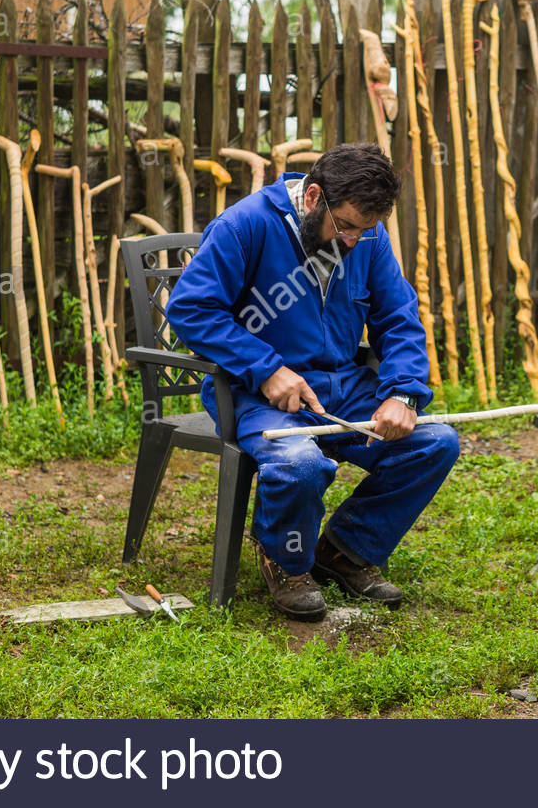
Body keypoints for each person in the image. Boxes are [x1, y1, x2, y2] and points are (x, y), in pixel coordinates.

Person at [165, 143, 460, 621]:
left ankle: (345, 551)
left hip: (343, 385)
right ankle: (286, 561)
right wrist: (265, 368)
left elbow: (399, 317)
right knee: (300, 461)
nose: (352, 241)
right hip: (253, 392)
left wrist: (402, 392)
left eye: (363, 233)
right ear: (313, 197)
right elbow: (191, 309)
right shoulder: (245, 225)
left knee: (434, 444)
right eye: (344, 227)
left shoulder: (368, 236)